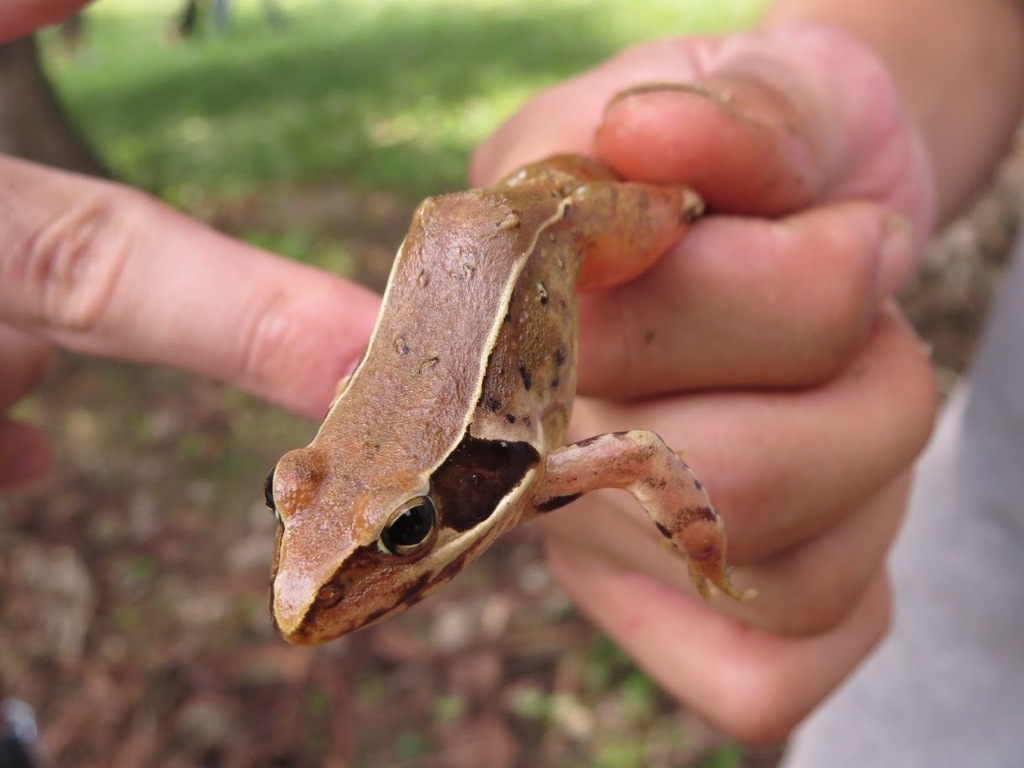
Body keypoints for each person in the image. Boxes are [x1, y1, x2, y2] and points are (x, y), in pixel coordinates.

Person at [1, 0, 1021, 762]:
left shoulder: (530, 474)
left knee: (677, 206)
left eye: (404, 531)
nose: (304, 593)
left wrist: (702, 550)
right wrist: (849, 115)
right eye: (286, 494)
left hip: (543, 228)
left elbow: (643, 455)